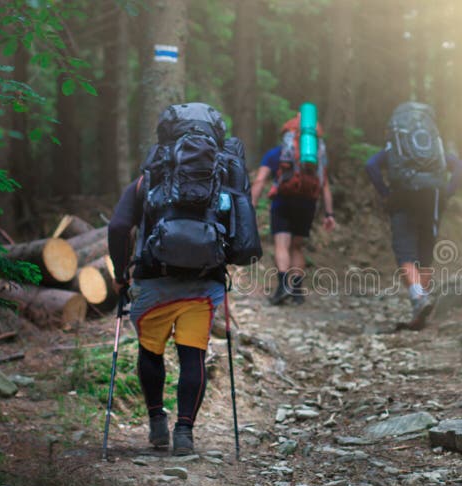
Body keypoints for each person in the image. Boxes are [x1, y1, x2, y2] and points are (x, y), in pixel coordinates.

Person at [109, 102, 258, 455]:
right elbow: (242, 232)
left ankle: (156, 421)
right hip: (203, 284)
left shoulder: (150, 176)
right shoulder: (223, 176)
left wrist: (119, 275)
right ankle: (184, 433)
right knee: (193, 356)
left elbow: (118, 227)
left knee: (151, 351)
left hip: (153, 279)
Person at [365, 101, 462, 329]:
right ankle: (422, 307)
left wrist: (385, 193)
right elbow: (460, 166)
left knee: (405, 253)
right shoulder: (433, 148)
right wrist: (447, 192)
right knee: (425, 252)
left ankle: (418, 299)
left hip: (402, 197)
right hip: (433, 198)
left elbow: (371, 165)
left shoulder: (396, 148)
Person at [251, 109, 336, 305]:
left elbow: (260, 180)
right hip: (307, 202)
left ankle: (282, 287)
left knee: (282, 244)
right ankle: (297, 291)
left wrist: (251, 206)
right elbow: (325, 186)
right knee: (297, 246)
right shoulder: (316, 158)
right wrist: (329, 213)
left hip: (283, 200)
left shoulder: (277, 153)